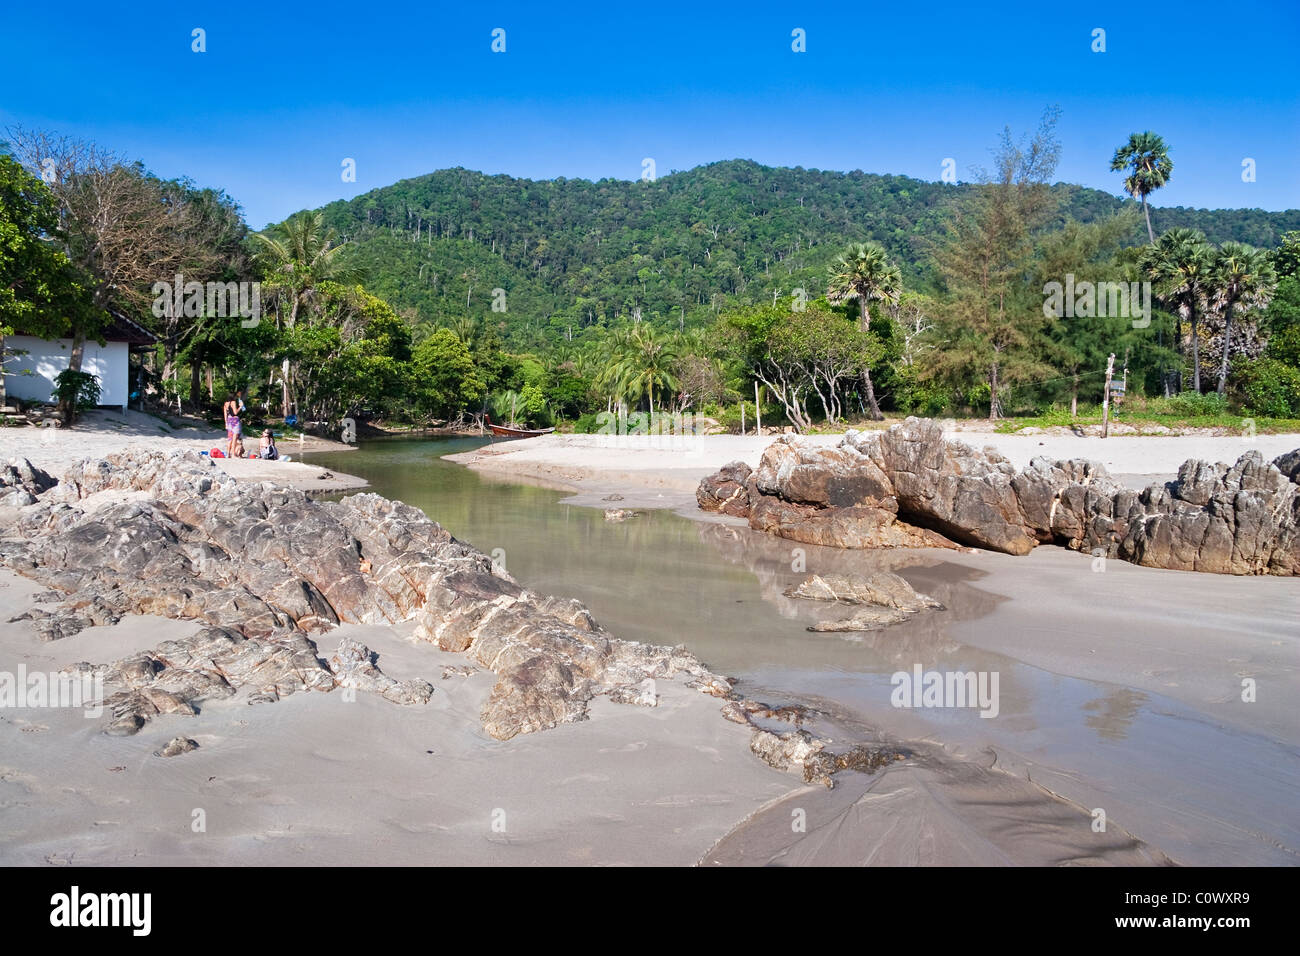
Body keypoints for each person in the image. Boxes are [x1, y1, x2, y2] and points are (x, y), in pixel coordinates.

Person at [222, 393, 242, 459]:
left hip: (229, 421)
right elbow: (235, 412)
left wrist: (226, 423)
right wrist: (240, 407)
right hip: (235, 421)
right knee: (234, 439)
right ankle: (233, 454)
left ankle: (228, 454)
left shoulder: (225, 404)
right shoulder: (233, 402)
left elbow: (225, 415)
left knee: (229, 439)